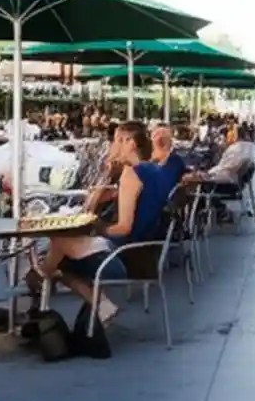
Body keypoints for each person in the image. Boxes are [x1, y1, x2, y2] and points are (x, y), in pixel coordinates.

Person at [34, 121, 172, 324]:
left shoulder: (132, 174)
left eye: (116, 140)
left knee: (58, 244)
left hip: (124, 259)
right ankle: (100, 305)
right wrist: (107, 175)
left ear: (130, 143)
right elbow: (97, 204)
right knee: (59, 255)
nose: (111, 146)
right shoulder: (154, 170)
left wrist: (97, 227)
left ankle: (39, 279)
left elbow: (123, 227)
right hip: (147, 255)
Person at [150, 125, 187, 191]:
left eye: (164, 137)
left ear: (170, 142)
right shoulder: (144, 161)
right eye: (156, 136)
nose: (160, 139)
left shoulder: (176, 162)